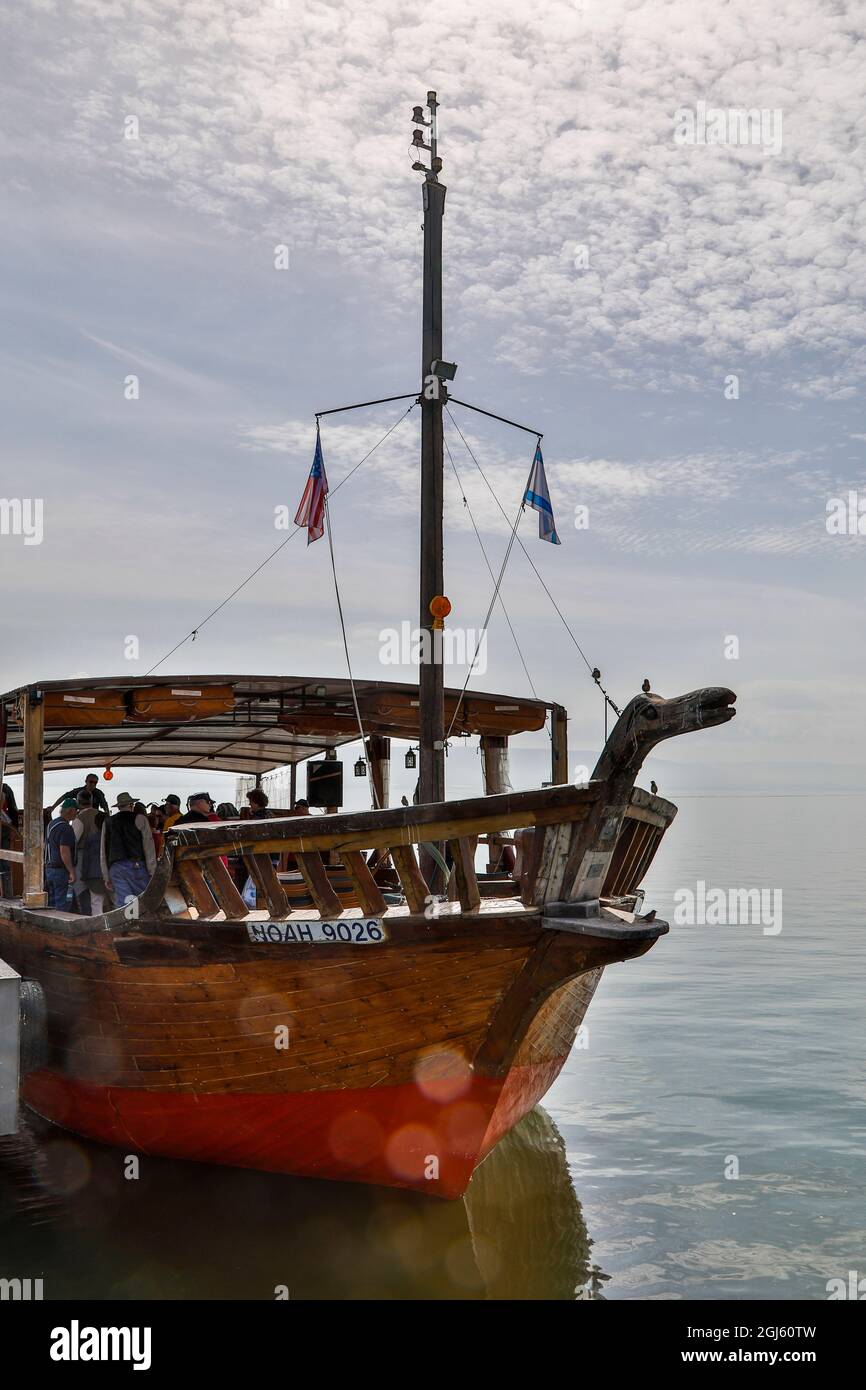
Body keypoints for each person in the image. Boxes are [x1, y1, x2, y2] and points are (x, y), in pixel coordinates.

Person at [100, 791, 157, 909]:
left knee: (124, 904)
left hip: (116, 868)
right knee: (142, 903)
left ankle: (128, 924)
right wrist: (152, 870)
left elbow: (103, 851)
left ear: (119, 807)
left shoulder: (108, 822)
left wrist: (106, 876)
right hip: (136, 866)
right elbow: (148, 846)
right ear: (132, 805)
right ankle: (140, 925)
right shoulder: (140, 819)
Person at [73, 794, 112, 916]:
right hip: (110, 865)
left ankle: (88, 916)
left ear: (78, 802)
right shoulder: (101, 815)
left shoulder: (79, 818)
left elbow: (74, 841)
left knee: (91, 897)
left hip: (87, 860)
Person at [44, 800, 79, 909]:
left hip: (49, 869)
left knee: (51, 903)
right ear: (70, 810)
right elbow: (64, 851)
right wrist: (71, 871)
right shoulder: (66, 828)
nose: (77, 813)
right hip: (60, 871)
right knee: (62, 903)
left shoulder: (51, 824)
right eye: (76, 811)